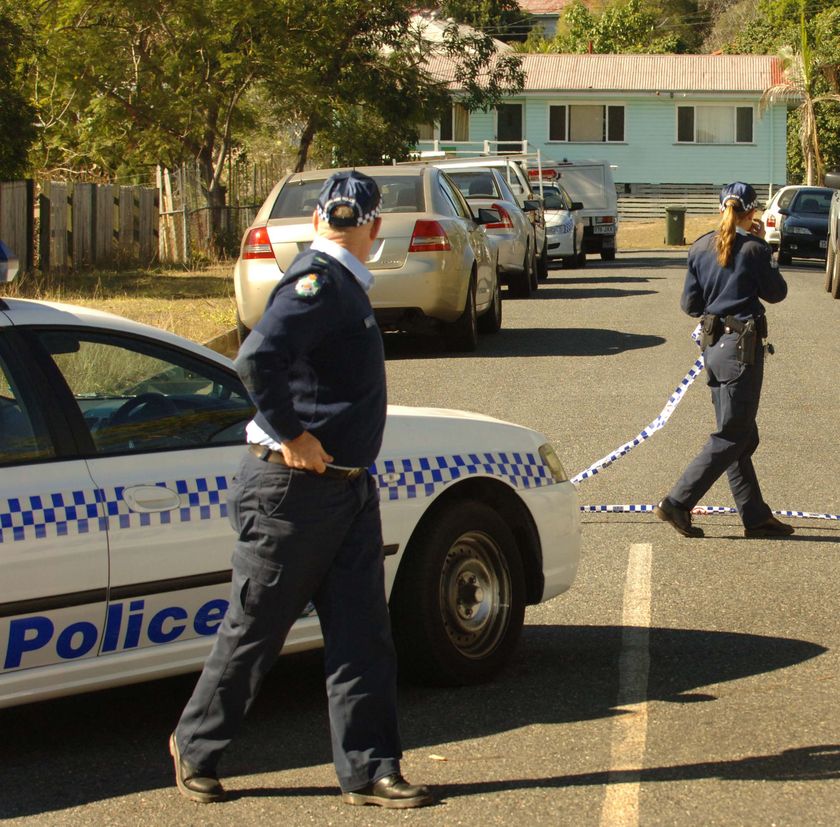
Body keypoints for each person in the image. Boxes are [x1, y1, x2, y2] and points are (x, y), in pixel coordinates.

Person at [169, 170, 433, 809]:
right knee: (257, 627)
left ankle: (371, 770)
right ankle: (195, 747)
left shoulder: (339, 280)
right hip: (294, 492)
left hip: (344, 490)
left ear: (321, 218)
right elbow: (257, 358)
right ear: (374, 227)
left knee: (363, 635)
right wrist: (293, 434)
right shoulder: (320, 283)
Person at [654, 182, 795, 540]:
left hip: (714, 348)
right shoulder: (754, 249)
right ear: (752, 213)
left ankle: (754, 515)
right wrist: (763, 247)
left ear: (721, 209)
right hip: (741, 350)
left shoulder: (700, 247)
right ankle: (677, 501)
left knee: (740, 435)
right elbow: (776, 293)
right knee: (733, 435)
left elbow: (690, 305)